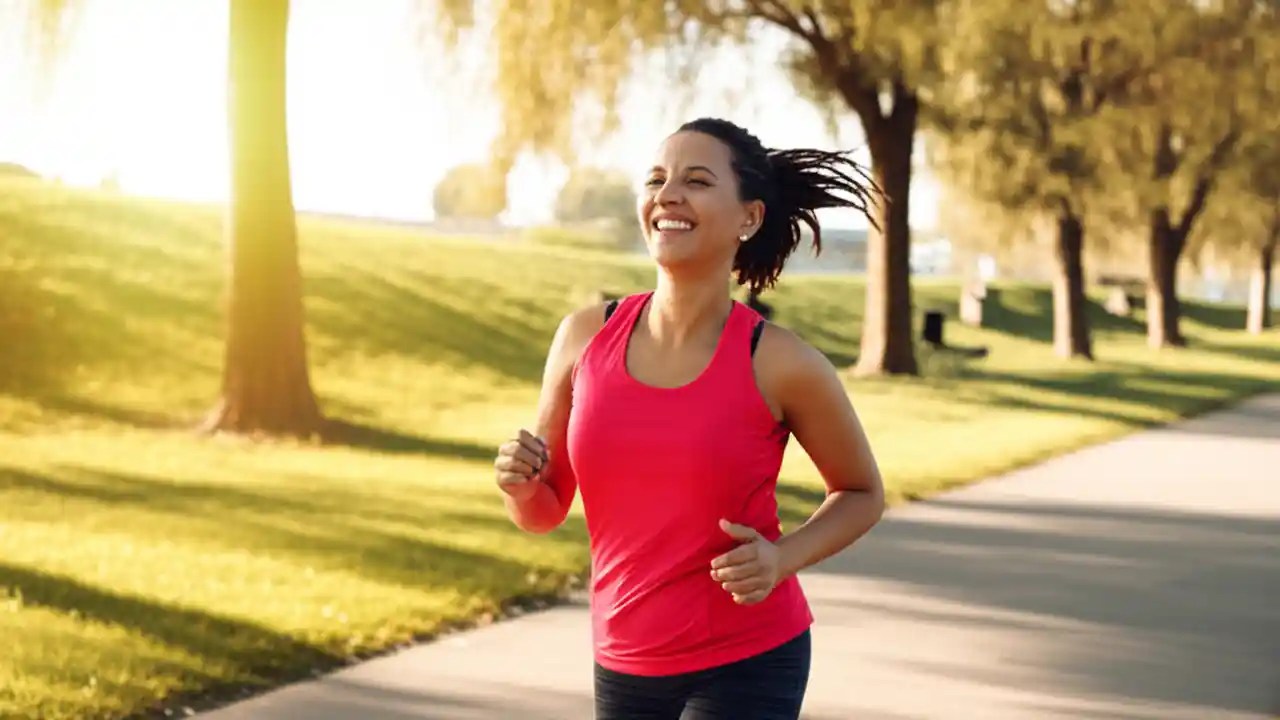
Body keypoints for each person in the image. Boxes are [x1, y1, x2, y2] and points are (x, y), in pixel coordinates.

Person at [492, 117, 886, 719]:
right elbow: (544, 510)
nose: (667, 195)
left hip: (748, 656)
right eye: (656, 179)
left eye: (697, 181)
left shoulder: (780, 362)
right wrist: (519, 486)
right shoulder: (582, 339)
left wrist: (782, 558)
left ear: (748, 218)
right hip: (623, 658)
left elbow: (861, 492)